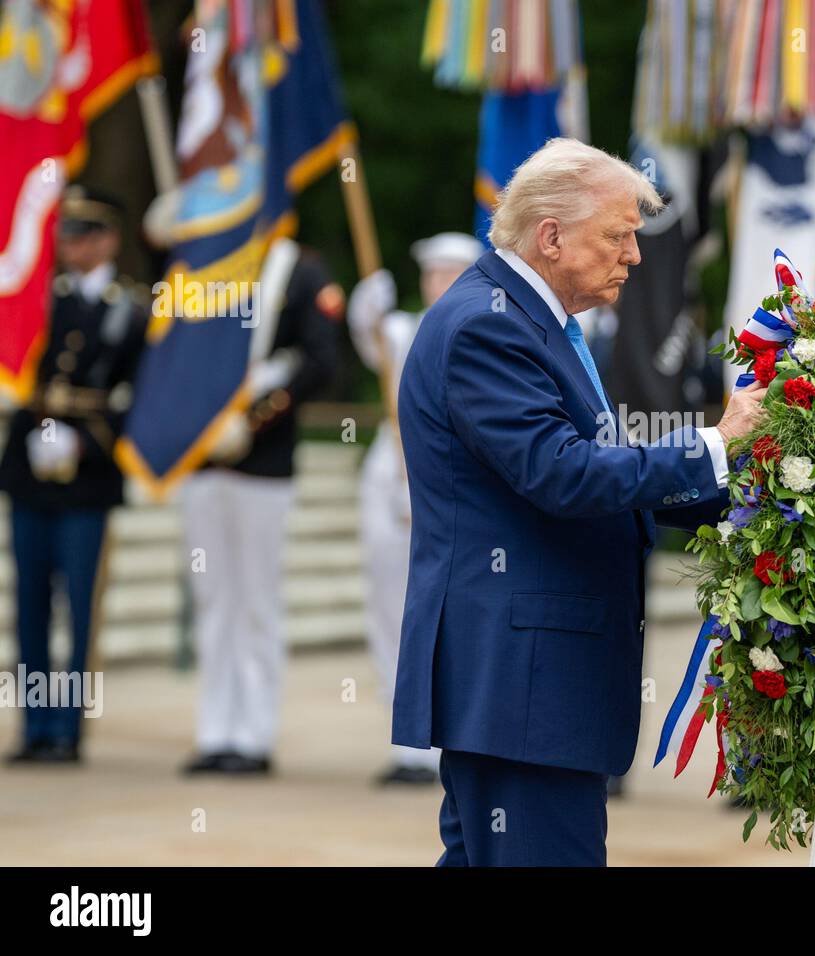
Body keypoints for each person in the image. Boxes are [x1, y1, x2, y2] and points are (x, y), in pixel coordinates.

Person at [394, 138, 766, 866]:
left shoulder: (529, 320)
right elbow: (563, 476)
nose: (634, 255)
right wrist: (718, 440)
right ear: (552, 235)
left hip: (520, 682)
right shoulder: (488, 325)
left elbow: (596, 479)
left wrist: (756, 496)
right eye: (620, 235)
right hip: (523, 679)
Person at [179, 240, 342, 775]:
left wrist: (254, 419)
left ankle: (253, 734)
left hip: (263, 464)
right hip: (202, 462)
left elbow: (321, 359)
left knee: (254, 600)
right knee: (213, 599)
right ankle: (216, 728)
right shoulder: (201, 263)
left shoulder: (298, 270)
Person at [0, 186, 149, 764]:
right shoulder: (35, 300)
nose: (69, 245)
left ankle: (68, 728)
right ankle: (34, 725)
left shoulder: (130, 309)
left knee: (79, 608)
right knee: (30, 606)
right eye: (66, 235)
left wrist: (85, 440)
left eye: (83, 235)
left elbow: (140, 396)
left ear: (108, 240)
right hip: (30, 469)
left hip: (88, 476)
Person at [347, 232, 484, 785]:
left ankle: (449, 736)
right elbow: (372, 344)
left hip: (448, 480)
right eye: (432, 275)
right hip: (389, 473)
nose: (439, 284)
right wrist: (366, 314)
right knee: (388, 606)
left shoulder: (481, 331)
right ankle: (408, 742)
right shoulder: (402, 330)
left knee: (449, 614)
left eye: (451, 274)